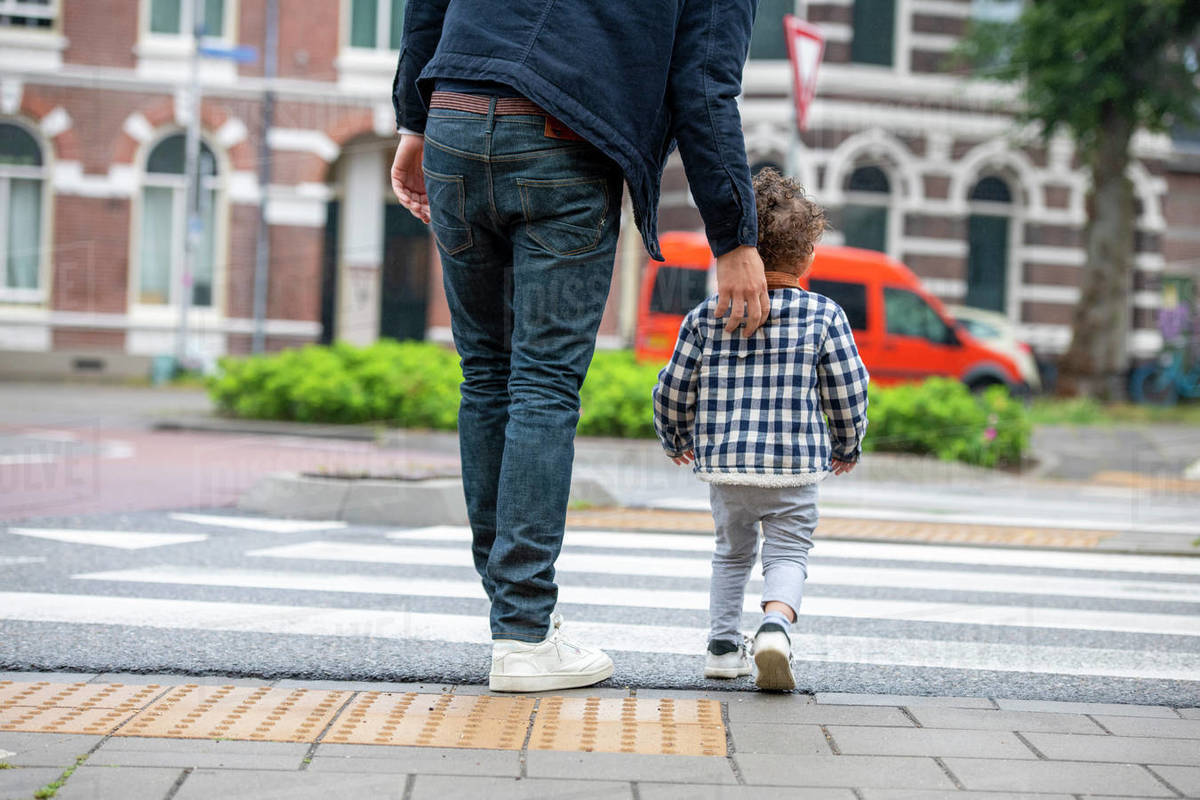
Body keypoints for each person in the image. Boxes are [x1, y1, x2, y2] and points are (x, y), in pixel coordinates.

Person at [389, 1, 770, 693]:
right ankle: (524, 634)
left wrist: (414, 120)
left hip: (454, 110)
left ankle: (516, 619)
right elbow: (706, 86)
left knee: (486, 375)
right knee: (541, 383)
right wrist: (736, 238)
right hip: (564, 132)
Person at [652, 169, 870, 691]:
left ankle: (723, 649)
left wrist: (675, 437)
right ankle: (775, 626)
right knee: (789, 553)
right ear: (809, 253)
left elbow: (673, 387)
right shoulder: (824, 315)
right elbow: (847, 388)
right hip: (794, 467)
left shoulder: (708, 315)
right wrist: (847, 442)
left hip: (727, 467)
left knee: (730, 554)